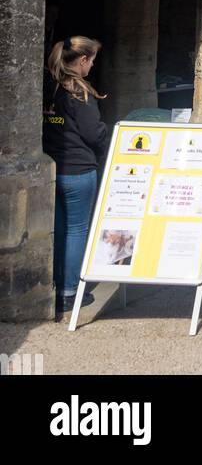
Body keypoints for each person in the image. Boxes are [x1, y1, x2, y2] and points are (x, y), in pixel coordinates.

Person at [43, 36, 108, 318]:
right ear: (82, 60)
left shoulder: (50, 88)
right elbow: (93, 133)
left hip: (54, 167)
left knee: (60, 230)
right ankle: (69, 292)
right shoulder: (79, 92)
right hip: (79, 170)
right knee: (77, 231)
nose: (92, 66)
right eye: (91, 60)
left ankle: (56, 286)